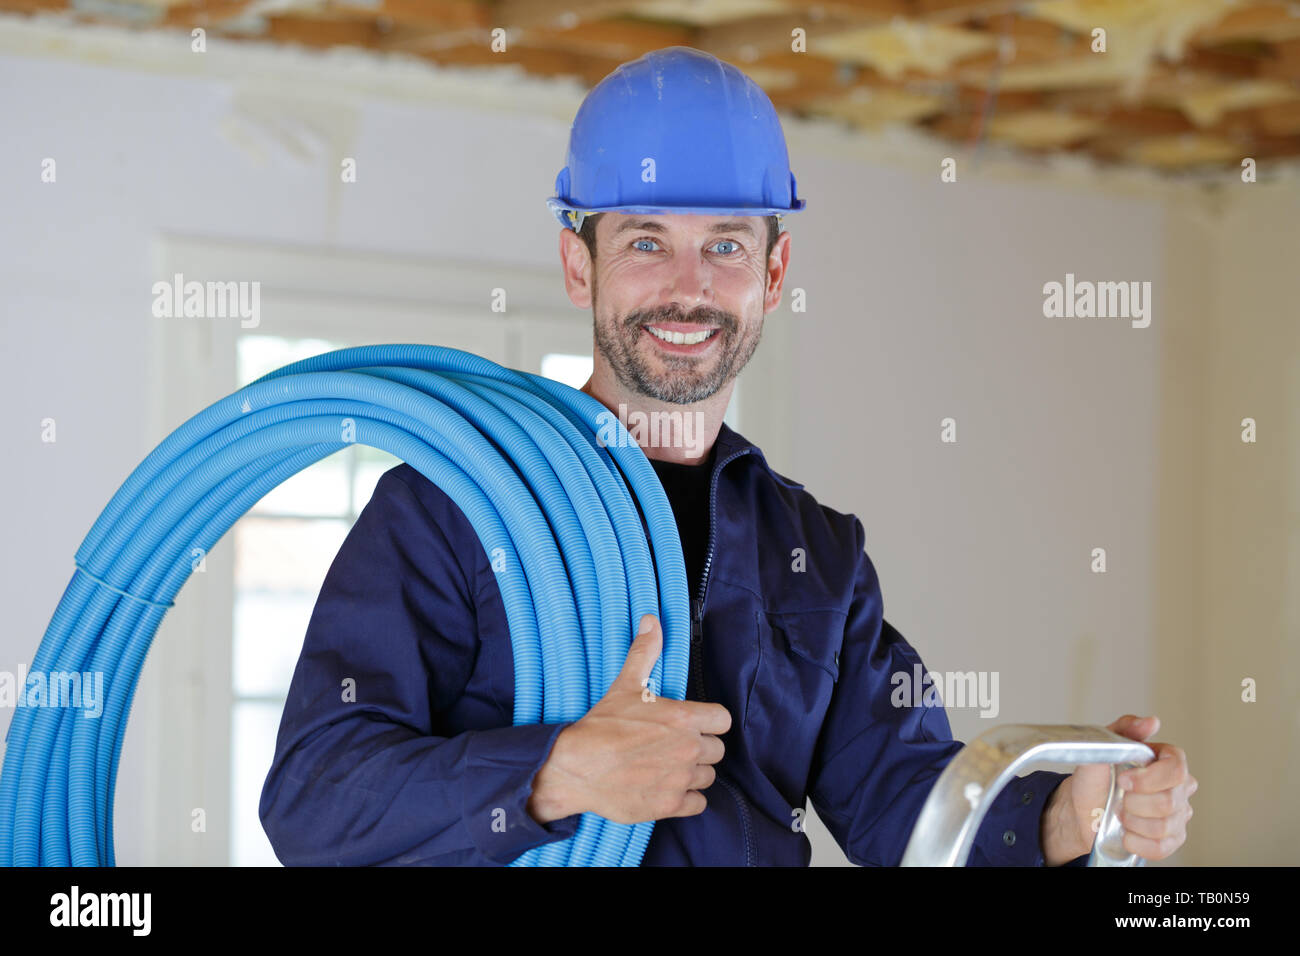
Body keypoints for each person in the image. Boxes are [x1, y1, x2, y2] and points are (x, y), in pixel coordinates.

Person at [260, 46, 1195, 866]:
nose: (687, 287)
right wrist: (557, 774)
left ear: (773, 274)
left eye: (725, 245)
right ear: (578, 264)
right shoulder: (454, 506)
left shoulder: (815, 551)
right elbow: (313, 804)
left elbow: (906, 810)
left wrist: (1066, 818)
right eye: (645, 241)